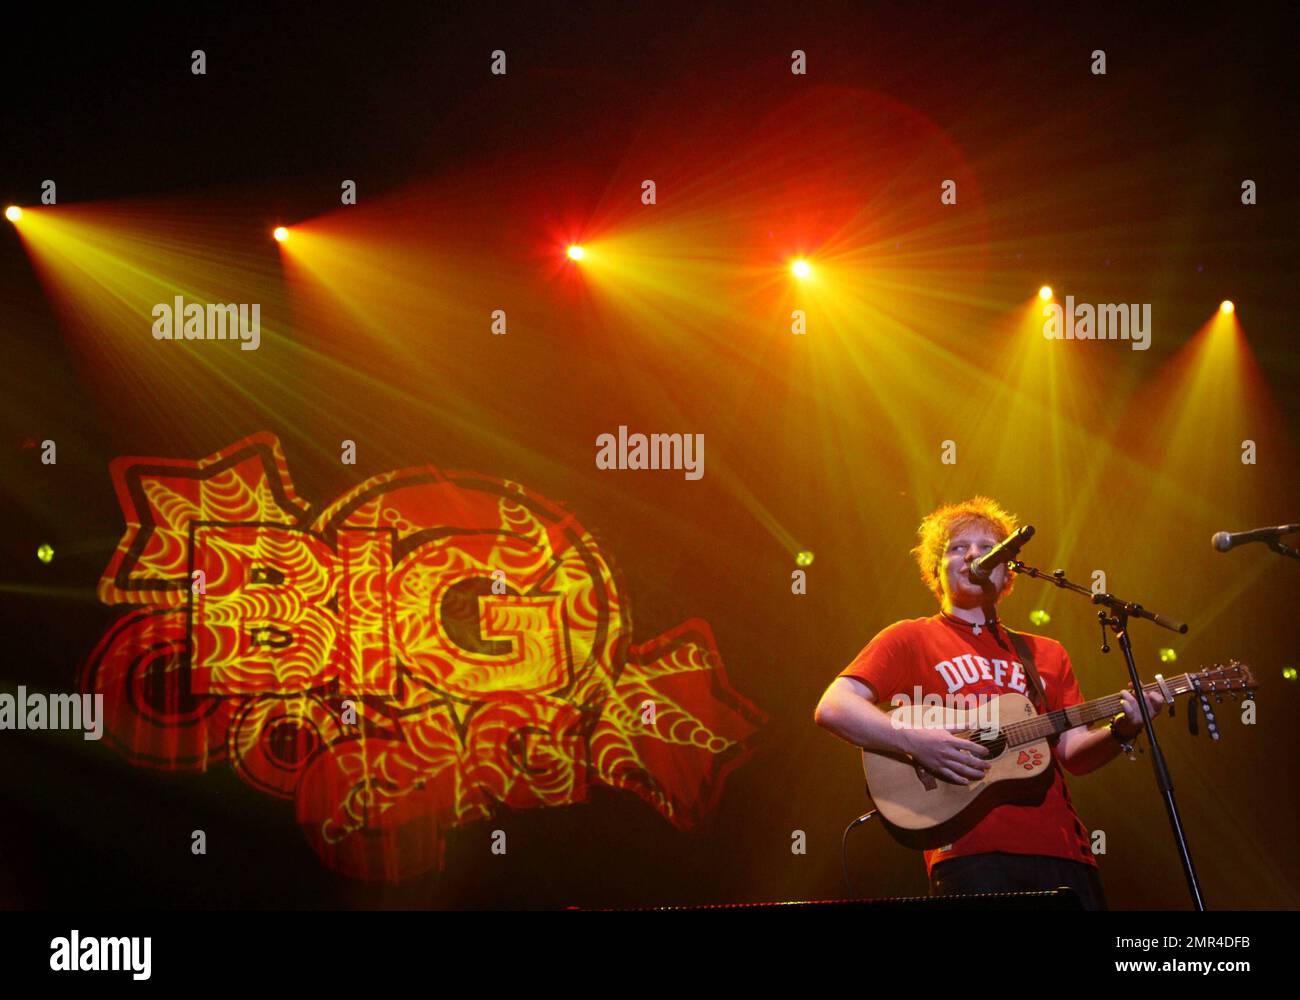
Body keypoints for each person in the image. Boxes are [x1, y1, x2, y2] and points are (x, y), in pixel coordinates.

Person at [813, 496, 1166, 909]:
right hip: (969, 856)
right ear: (936, 570)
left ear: (1007, 571)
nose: (974, 556)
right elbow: (834, 707)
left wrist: (1124, 728)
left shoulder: (1046, 653)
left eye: (987, 549)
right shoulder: (909, 638)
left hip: (1065, 854)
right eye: (958, 548)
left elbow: (1074, 754)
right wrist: (916, 741)